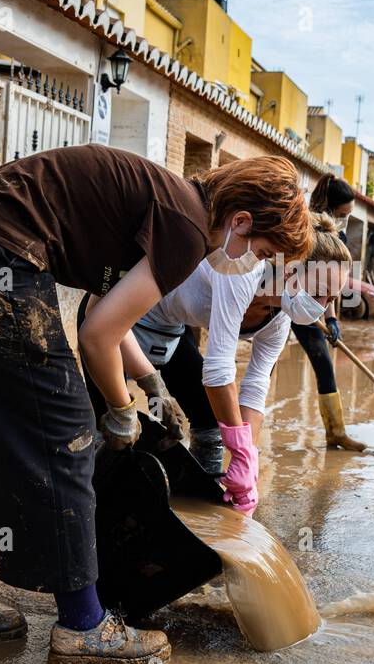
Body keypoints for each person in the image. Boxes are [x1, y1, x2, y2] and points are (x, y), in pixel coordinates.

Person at [0, 145, 311, 664]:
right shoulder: (186, 227)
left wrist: (149, 384)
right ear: (241, 222)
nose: (253, 266)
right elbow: (97, 336)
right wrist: (120, 410)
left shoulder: (171, 202)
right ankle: (83, 626)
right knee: (65, 434)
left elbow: (101, 309)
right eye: (260, 251)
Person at [113, 213, 352, 504]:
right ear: (290, 269)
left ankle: (205, 501)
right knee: (111, 423)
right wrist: (240, 449)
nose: (322, 307)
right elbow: (218, 369)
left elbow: (255, 386)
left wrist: (247, 460)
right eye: (318, 293)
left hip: (171, 332)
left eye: (331, 299)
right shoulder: (243, 272)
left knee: (208, 421)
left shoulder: (278, 321)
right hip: (122, 317)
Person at [296, 174, 374, 450]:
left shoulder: (340, 235)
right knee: (266, 367)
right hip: (284, 302)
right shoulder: (304, 227)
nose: (345, 220)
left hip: (313, 307)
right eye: (342, 213)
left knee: (324, 365)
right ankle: (246, 433)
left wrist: (332, 317)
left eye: (349, 215)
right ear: (330, 207)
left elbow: (331, 285)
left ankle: (335, 432)